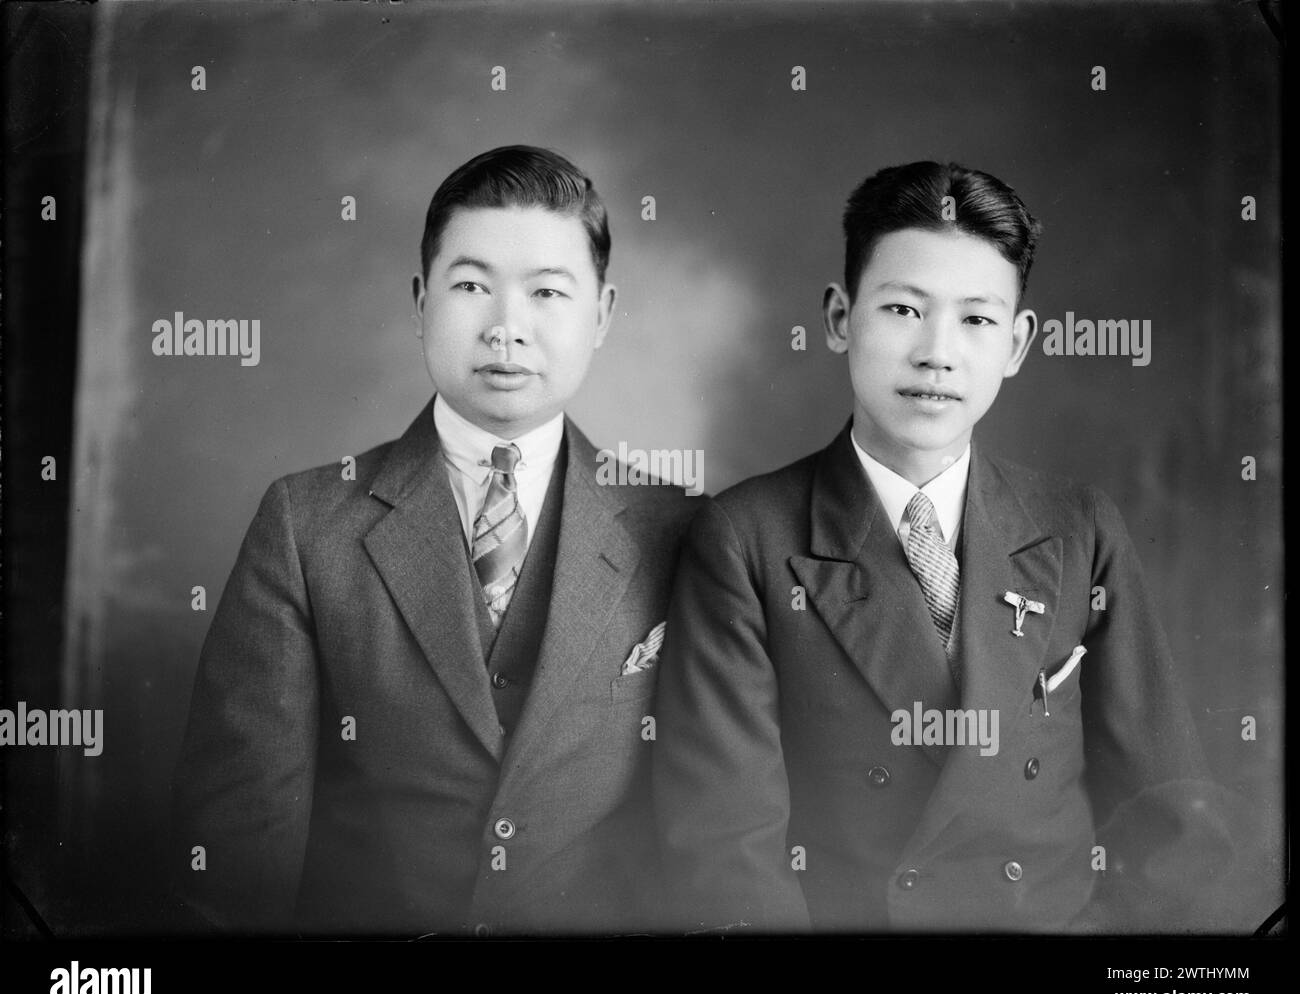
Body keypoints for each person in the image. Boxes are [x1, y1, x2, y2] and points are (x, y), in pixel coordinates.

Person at [652, 160, 1234, 933]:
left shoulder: (1078, 526)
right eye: (901, 308)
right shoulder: (746, 538)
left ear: (1019, 342)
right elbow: (726, 847)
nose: (937, 352)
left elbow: (1169, 809)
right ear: (838, 317)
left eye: (977, 319)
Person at [171, 144, 700, 936]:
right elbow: (241, 849)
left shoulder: (681, 528)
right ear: (421, 301)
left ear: (603, 313)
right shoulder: (306, 522)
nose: (506, 328)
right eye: (471, 286)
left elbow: (706, 829)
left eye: (548, 291)